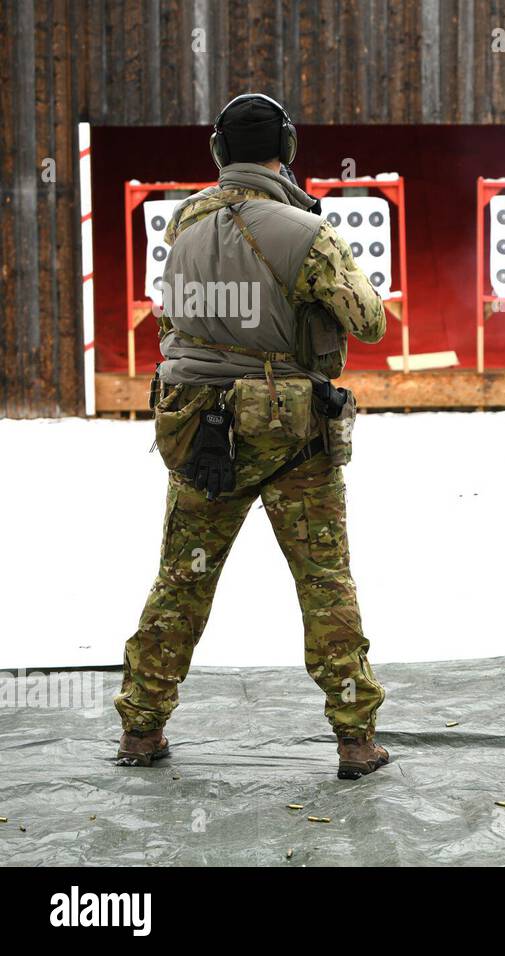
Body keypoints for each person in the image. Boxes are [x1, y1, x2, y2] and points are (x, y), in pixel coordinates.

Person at [114, 93, 391, 779]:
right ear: (287, 149)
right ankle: (356, 741)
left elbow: (171, 321)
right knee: (324, 582)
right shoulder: (306, 232)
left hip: (198, 430)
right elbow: (370, 320)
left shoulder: (182, 225)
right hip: (291, 432)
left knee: (182, 581)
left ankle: (141, 731)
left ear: (217, 152)